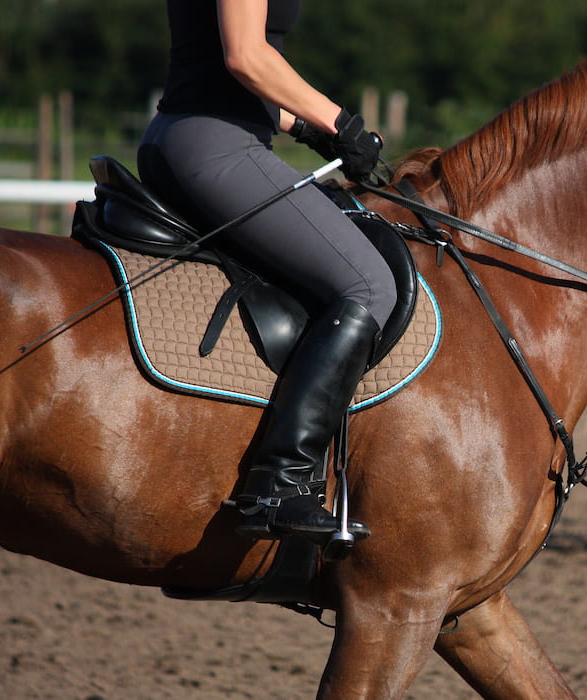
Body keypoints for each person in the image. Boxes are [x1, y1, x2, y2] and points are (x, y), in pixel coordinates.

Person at [137, 0, 397, 545]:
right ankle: (282, 479)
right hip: (215, 144)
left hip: (197, 132)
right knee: (368, 284)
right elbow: (246, 56)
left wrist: (303, 125)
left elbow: (218, 67)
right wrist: (340, 122)